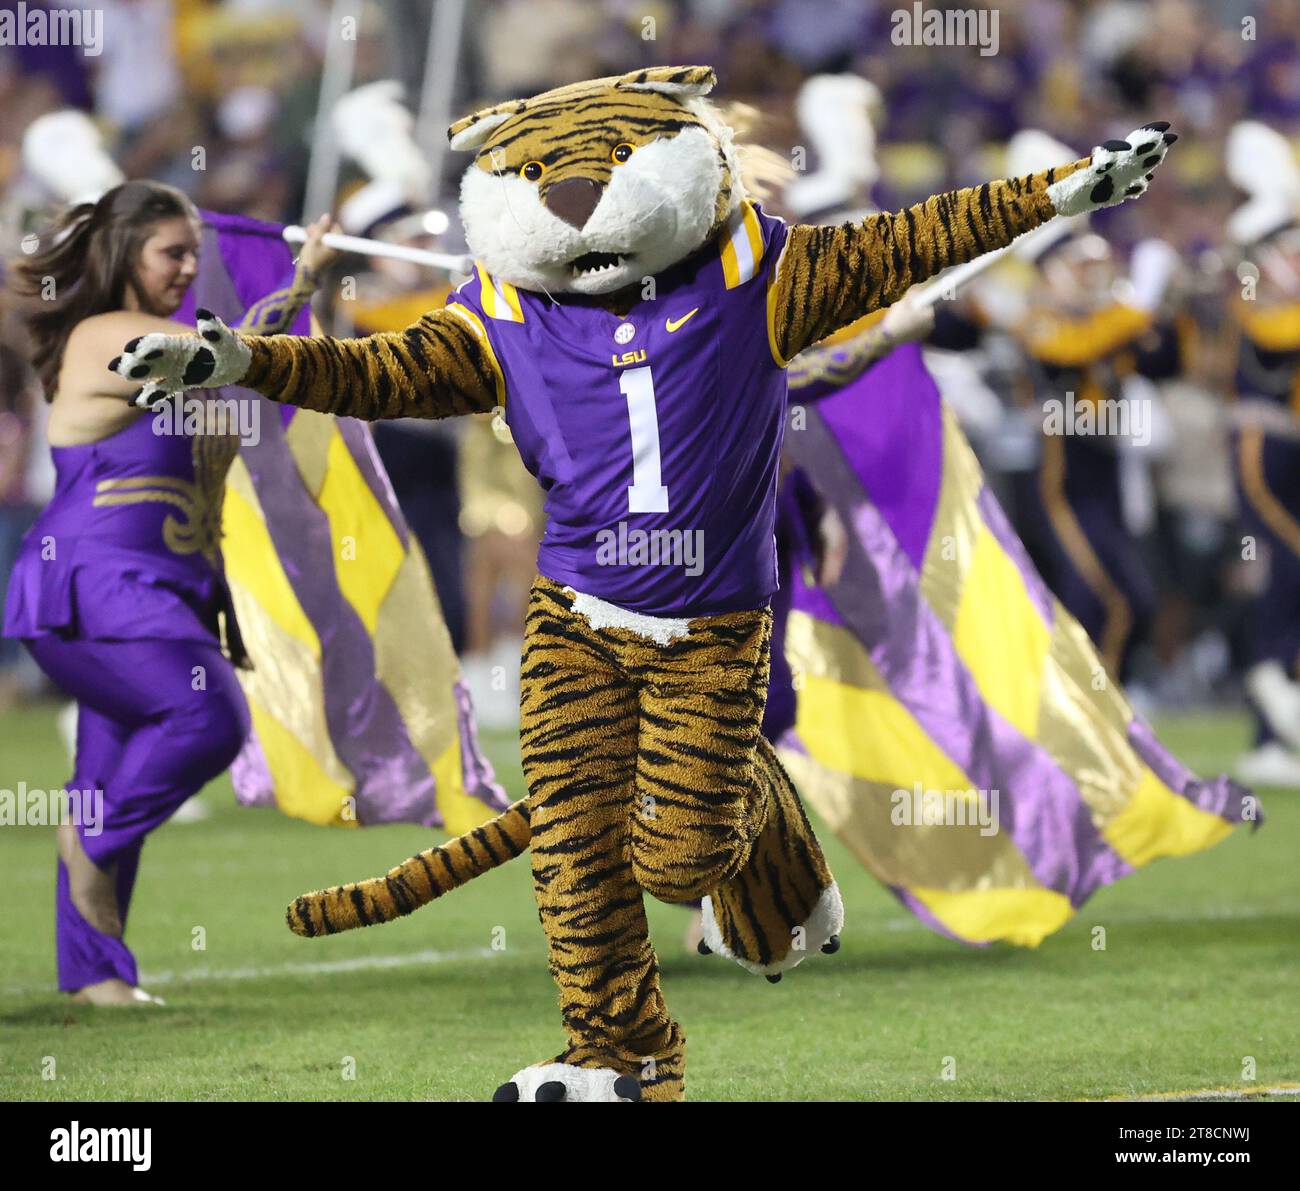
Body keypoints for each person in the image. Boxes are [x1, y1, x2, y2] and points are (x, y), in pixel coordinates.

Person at [2, 180, 338, 1005]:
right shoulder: (101, 336)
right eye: (171, 253)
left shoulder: (162, 335)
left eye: (196, 252)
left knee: (109, 762)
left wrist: (216, 595)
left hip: (159, 588)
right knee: (206, 717)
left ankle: (96, 976)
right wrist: (300, 282)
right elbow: (215, 354)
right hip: (93, 581)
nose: (190, 268)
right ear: (124, 254)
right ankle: (92, 841)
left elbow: (240, 387)